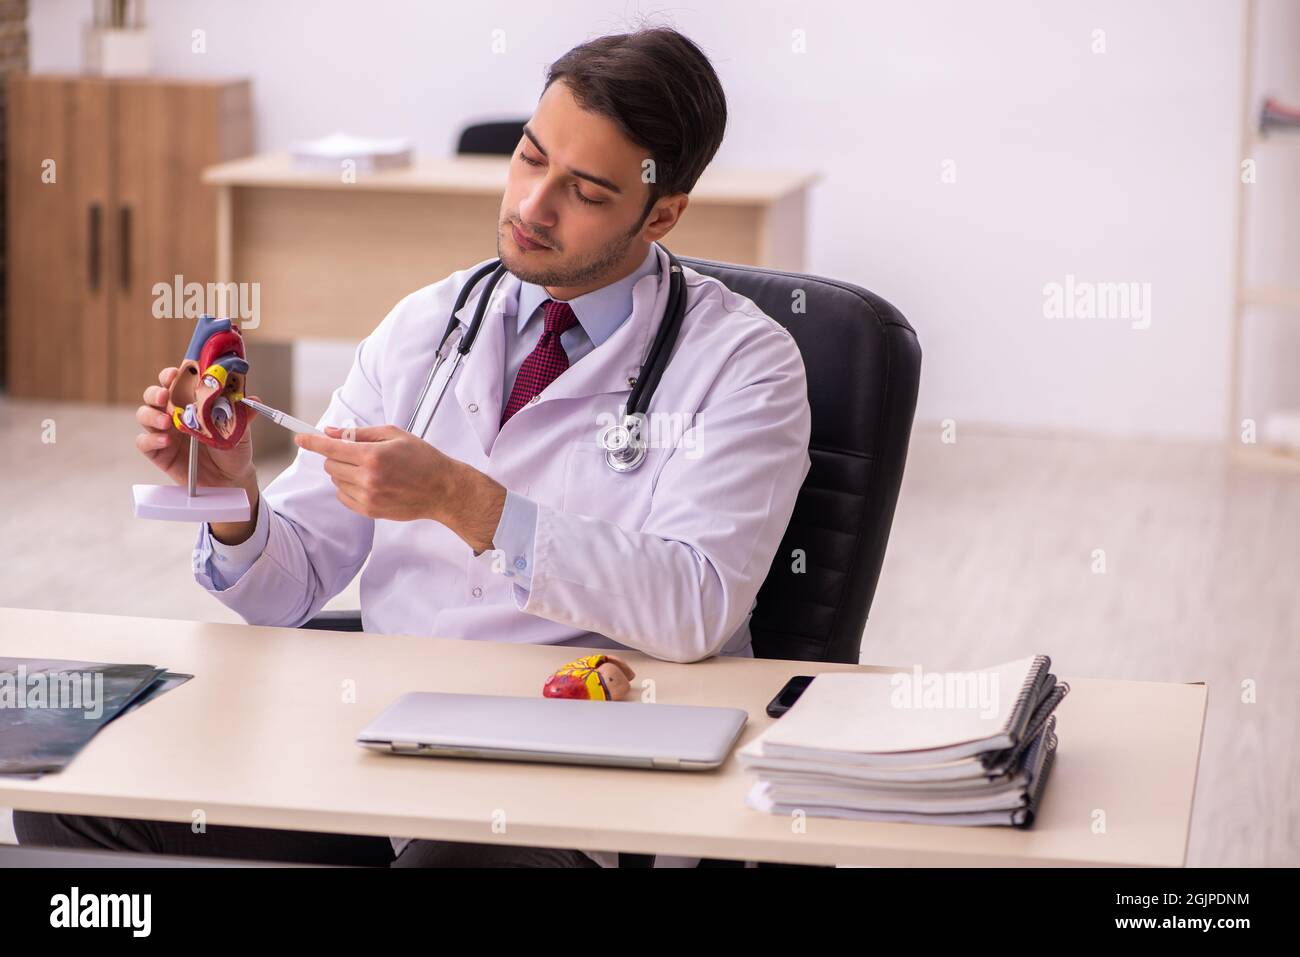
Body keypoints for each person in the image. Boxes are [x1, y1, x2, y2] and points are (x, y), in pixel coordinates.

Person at [17, 25, 810, 868]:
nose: (532, 205)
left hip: (572, 772)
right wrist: (240, 499)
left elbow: (696, 606)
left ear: (663, 213)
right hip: (378, 743)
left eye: (583, 190)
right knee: (72, 801)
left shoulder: (744, 365)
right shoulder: (428, 324)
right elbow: (287, 590)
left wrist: (465, 501)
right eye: (531, 157)